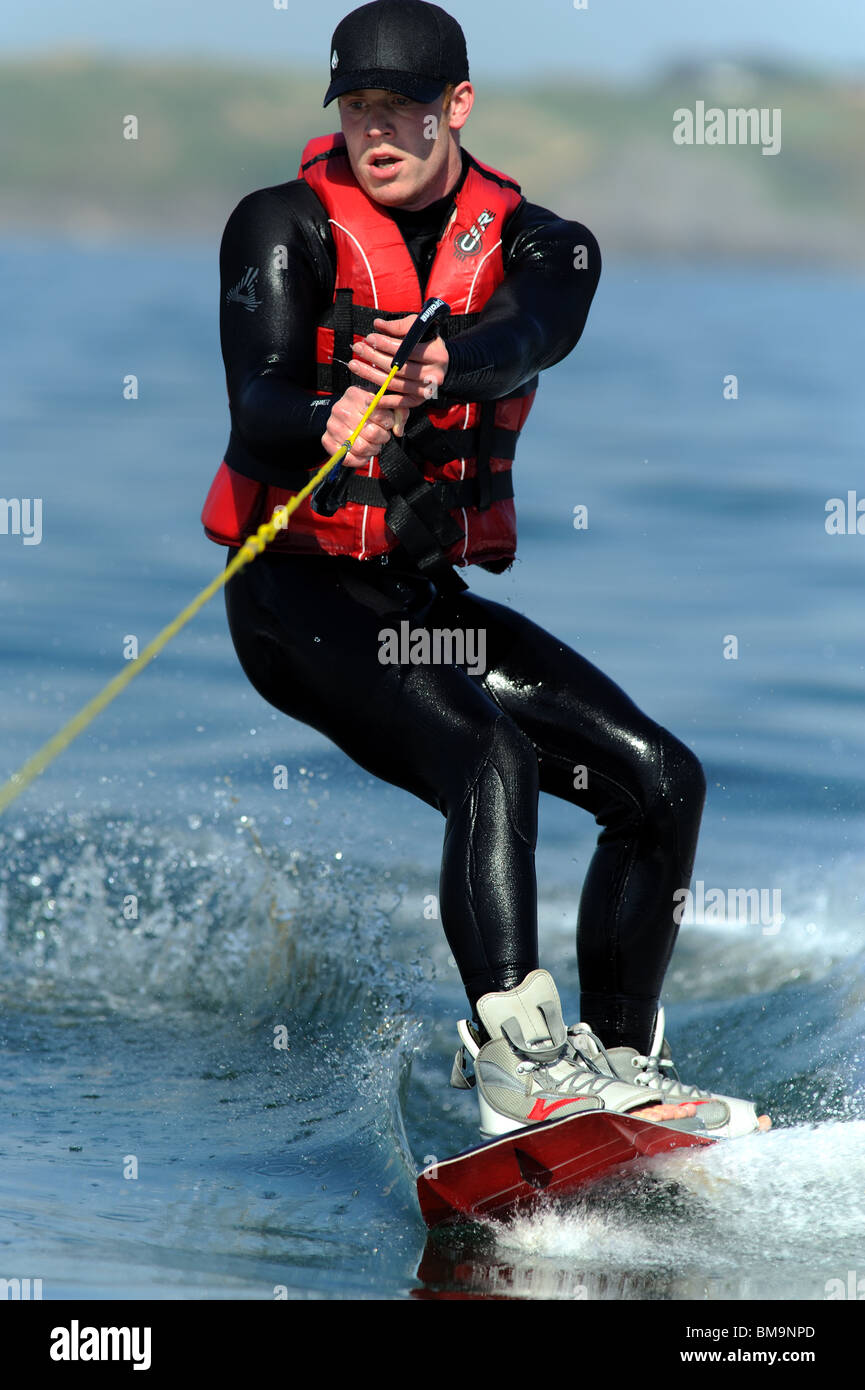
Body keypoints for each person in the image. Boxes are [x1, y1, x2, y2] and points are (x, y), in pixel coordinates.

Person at [202, 0, 769, 1140]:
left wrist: (432, 370)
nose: (377, 132)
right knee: (489, 754)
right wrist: (327, 417)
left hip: (418, 605)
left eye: (401, 109)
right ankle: (517, 1060)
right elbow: (257, 403)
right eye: (357, 109)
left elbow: (538, 329)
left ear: (456, 107)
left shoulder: (542, 241)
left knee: (661, 782)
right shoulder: (280, 225)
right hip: (292, 597)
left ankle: (613, 1070)